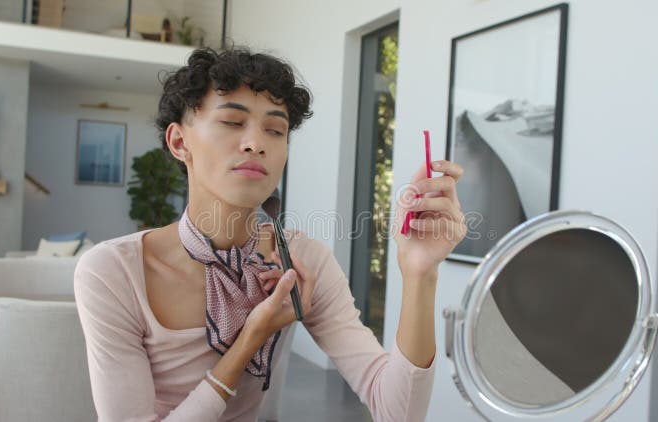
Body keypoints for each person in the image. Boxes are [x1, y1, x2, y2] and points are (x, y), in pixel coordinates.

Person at [74, 47, 467, 422]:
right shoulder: (114, 271)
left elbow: (397, 411)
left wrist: (419, 275)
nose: (255, 143)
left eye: (275, 130)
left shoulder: (301, 259)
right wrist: (252, 337)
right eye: (232, 122)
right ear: (179, 142)